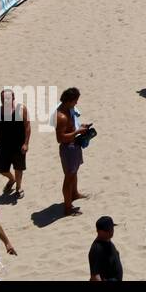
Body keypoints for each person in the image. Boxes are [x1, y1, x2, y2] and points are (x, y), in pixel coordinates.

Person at [0, 89, 30, 199]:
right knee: (0, 168)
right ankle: (12, 179)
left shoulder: (21, 109)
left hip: (18, 144)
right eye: (3, 99)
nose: (5, 101)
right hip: (3, 144)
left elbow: (27, 127)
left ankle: (18, 187)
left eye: (7, 99)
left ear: (13, 98)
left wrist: (26, 143)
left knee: (18, 167)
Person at [55, 87, 90, 216]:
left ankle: (74, 194)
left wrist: (80, 128)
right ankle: (68, 207)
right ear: (69, 101)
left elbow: (71, 128)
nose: (76, 103)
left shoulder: (68, 110)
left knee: (74, 173)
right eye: (75, 101)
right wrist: (77, 132)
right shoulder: (61, 117)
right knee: (68, 177)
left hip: (74, 146)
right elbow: (60, 138)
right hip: (68, 148)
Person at [89, 216, 122, 281]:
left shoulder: (107, 240)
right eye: (108, 230)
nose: (111, 231)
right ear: (99, 231)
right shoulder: (97, 249)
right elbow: (95, 277)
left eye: (112, 228)